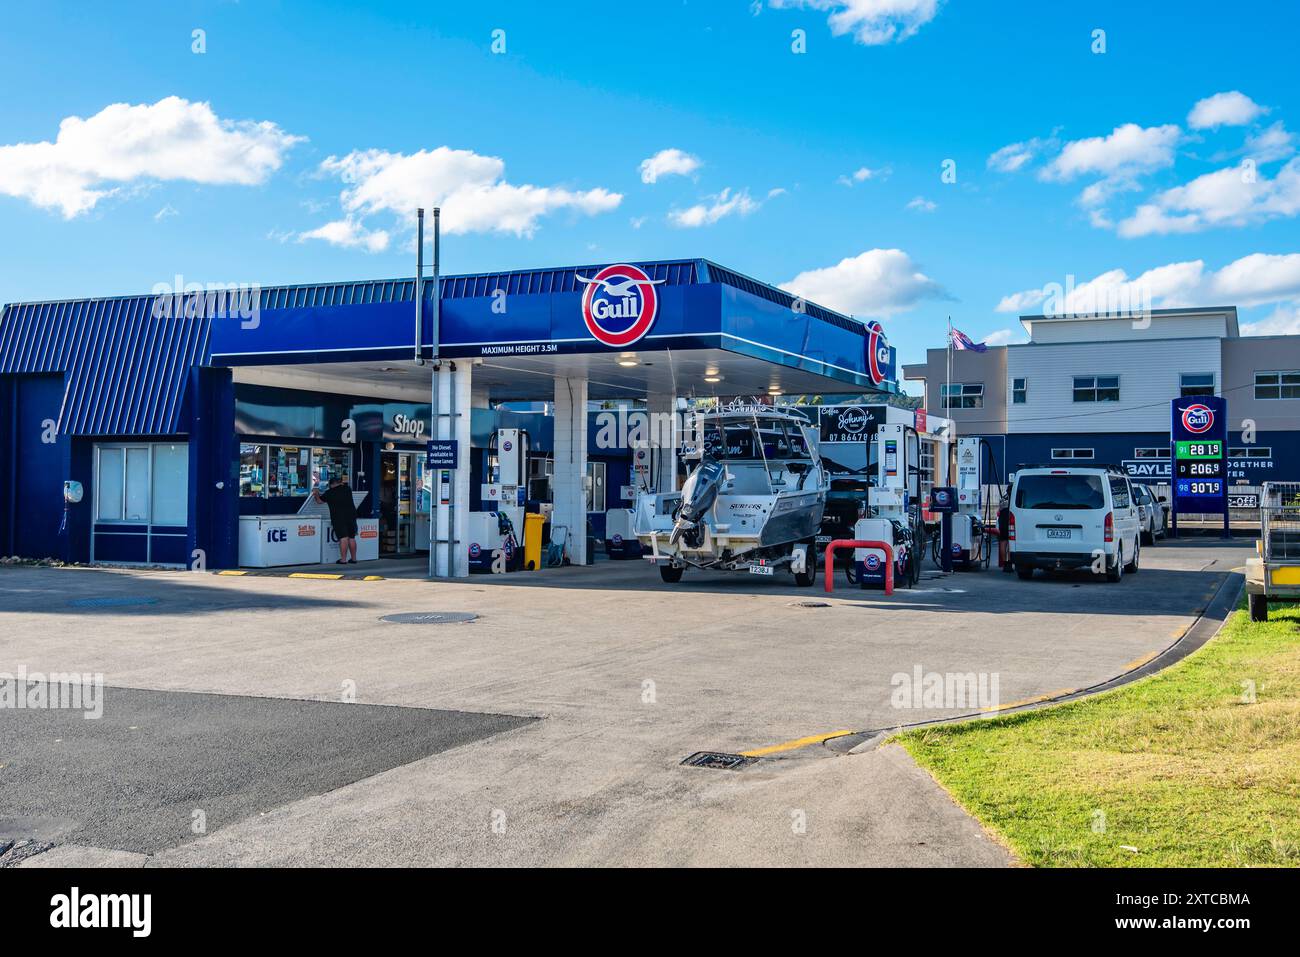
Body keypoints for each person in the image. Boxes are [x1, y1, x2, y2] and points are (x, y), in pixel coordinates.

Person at [313, 476, 358, 564]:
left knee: (343, 537)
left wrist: (316, 494)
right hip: (351, 516)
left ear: (332, 484)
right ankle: (354, 559)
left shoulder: (330, 492)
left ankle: (343, 560)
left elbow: (319, 501)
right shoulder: (347, 489)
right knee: (351, 537)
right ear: (339, 483)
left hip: (339, 517)